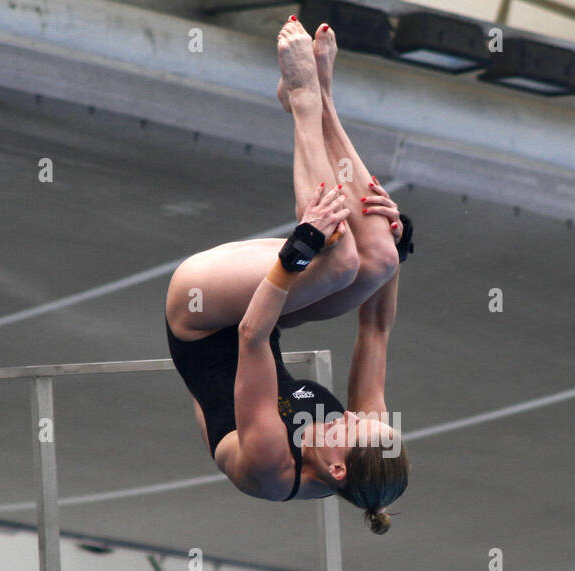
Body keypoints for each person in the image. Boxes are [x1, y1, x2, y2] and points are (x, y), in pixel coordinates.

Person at [165, 18, 412, 534]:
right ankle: (324, 100)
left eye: (349, 425)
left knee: (338, 260)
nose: (348, 415)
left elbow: (251, 336)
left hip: (201, 313)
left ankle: (303, 100)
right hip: (258, 314)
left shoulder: (271, 470)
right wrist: (395, 234)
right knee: (377, 260)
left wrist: (301, 249)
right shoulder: (364, 443)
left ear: (336, 467)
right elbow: (376, 329)